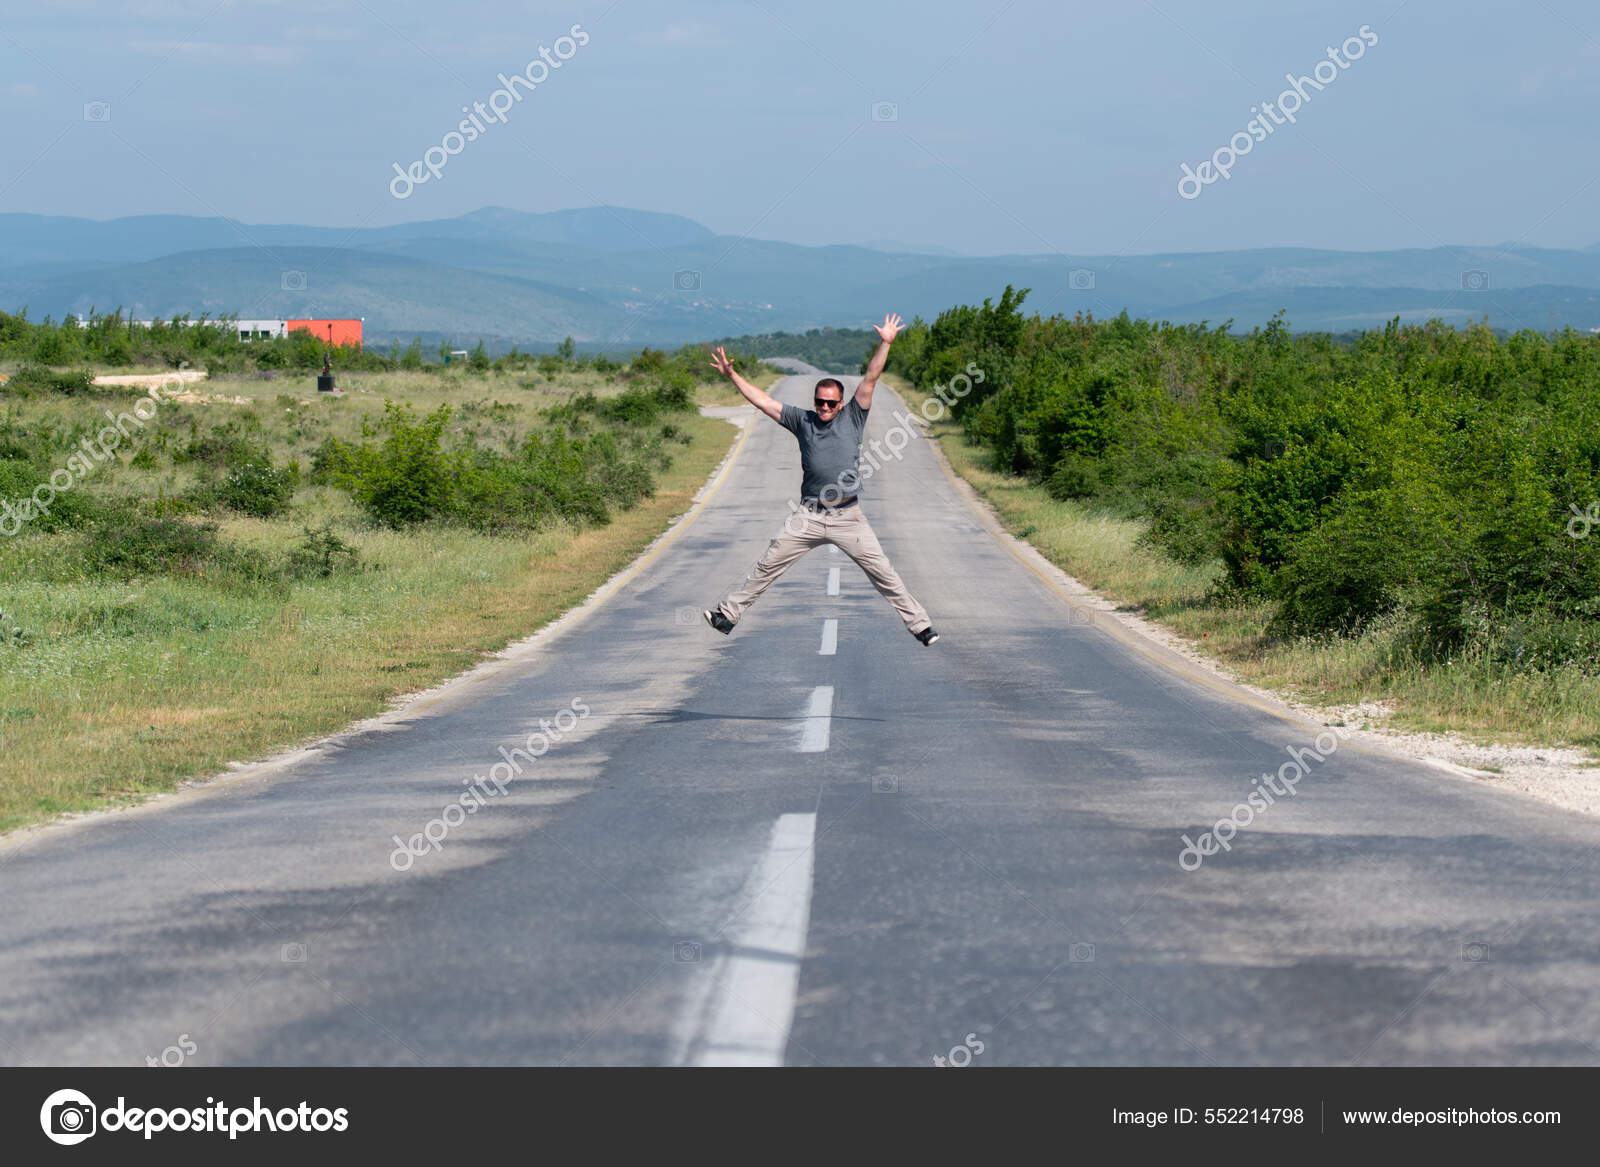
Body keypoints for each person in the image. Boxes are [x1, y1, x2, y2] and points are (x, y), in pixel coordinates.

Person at [703, 313, 939, 645]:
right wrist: (732, 375)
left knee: (884, 574)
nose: (825, 407)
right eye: (820, 402)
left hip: (848, 517)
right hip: (809, 516)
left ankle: (921, 627)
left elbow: (871, 376)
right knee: (767, 565)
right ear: (814, 402)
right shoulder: (803, 421)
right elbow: (762, 401)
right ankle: (726, 616)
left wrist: (886, 343)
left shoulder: (855, 416)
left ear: (842, 404)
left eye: (831, 402)